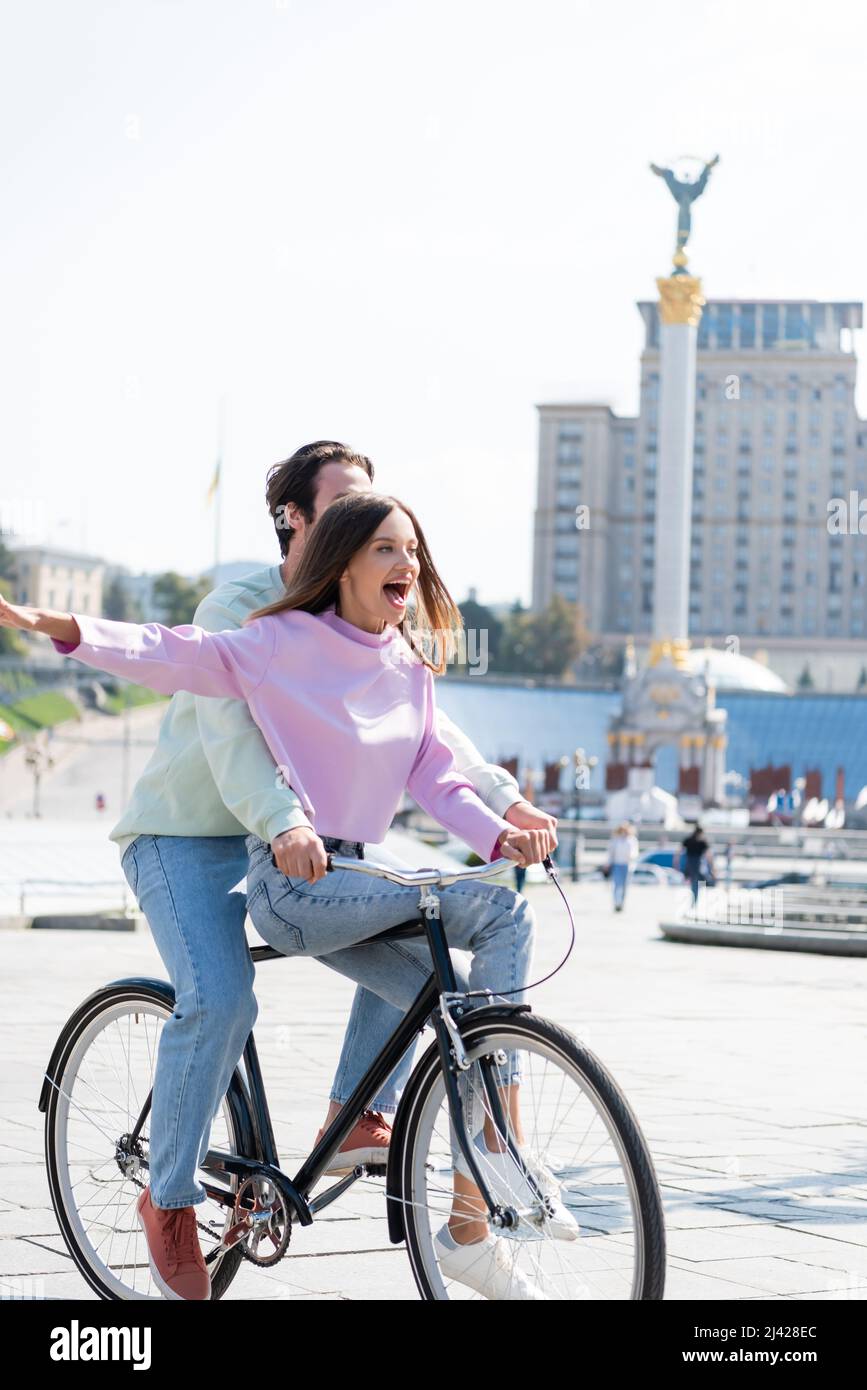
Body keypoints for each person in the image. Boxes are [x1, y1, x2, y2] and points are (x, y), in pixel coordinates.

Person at [1, 490, 570, 1301]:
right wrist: (60, 627)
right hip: (297, 886)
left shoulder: (406, 663)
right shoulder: (277, 641)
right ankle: (176, 1199)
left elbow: (435, 772)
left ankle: (484, 1158)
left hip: (359, 879)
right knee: (239, 993)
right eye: (384, 549)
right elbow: (171, 651)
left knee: (486, 937)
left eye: (411, 549)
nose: (405, 563)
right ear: (339, 561)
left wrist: (496, 833)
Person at [605, 821, 638, 911]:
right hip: (617, 864)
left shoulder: (632, 840)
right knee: (617, 885)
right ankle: (616, 902)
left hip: (627, 865)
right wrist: (608, 864)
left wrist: (631, 856)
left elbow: (634, 852)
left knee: (624, 886)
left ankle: (622, 903)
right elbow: (611, 853)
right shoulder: (615, 840)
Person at [680, 823, 714, 905]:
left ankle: (694, 900)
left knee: (693, 882)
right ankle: (694, 900)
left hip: (689, 863)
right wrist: (712, 867)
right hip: (697, 864)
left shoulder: (688, 840)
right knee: (697, 882)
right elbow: (709, 855)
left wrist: (677, 863)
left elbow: (679, 851)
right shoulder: (702, 842)